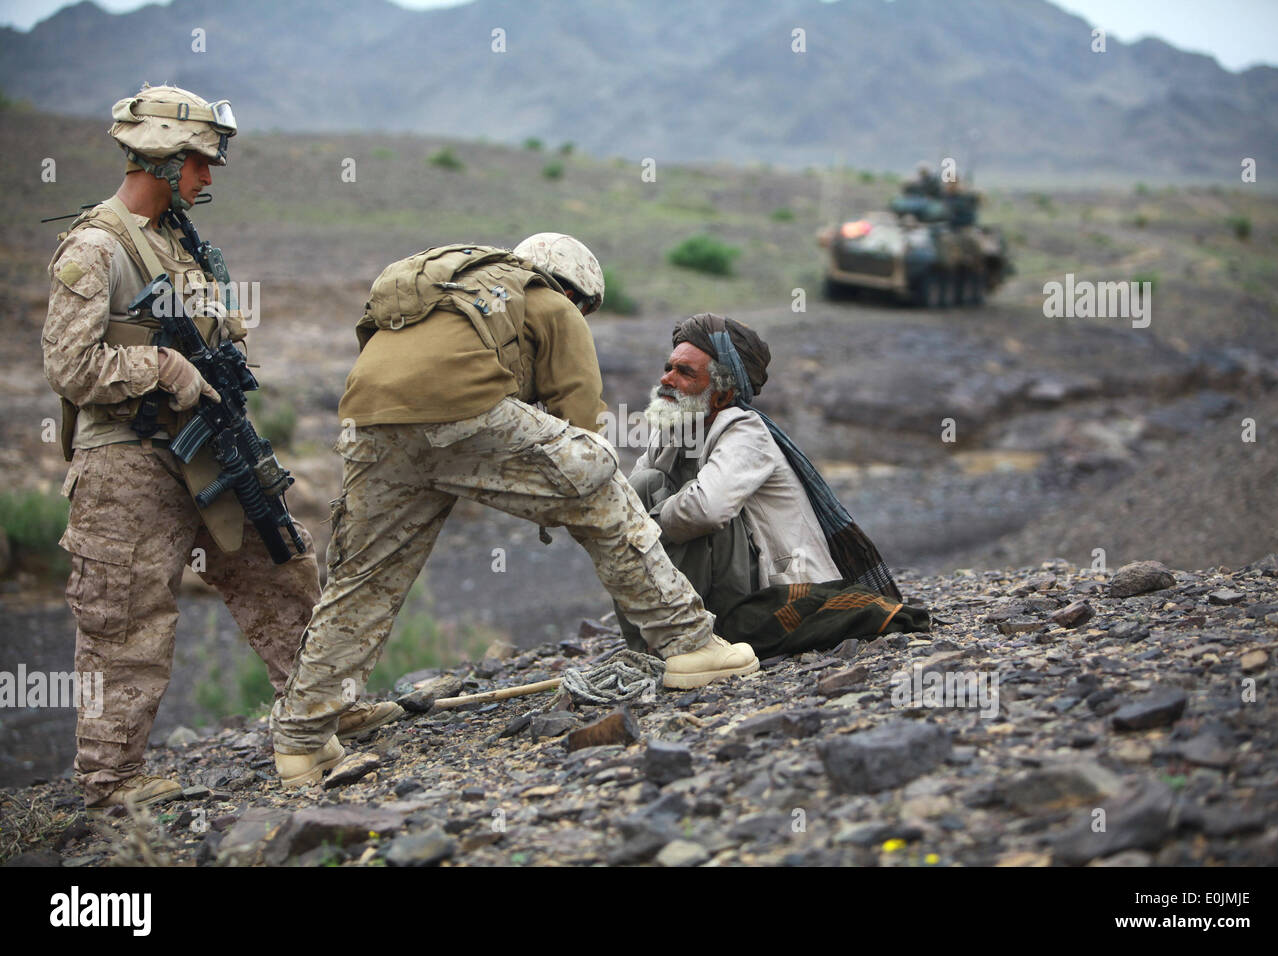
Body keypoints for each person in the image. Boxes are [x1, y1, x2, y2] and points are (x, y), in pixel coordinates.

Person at [270, 235, 759, 787]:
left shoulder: (446, 298)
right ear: (575, 290)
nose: (582, 317)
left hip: (370, 417)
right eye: (587, 309)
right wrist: (574, 492)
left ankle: (303, 740)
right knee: (601, 487)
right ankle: (689, 642)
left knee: (364, 575)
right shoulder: (549, 301)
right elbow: (584, 427)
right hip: (463, 410)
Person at [44, 84, 394, 810]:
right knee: (127, 616)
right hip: (128, 461)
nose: (209, 178)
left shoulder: (181, 245)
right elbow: (70, 368)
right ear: (163, 160)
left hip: (210, 445)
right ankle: (112, 783)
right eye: (200, 163)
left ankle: (323, 709)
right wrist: (159, 366)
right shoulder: (97, 247)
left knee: (281, 564)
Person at [622, 313, 931, 658]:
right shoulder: (673, 429)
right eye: (669, 367)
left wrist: (644, 530)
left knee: (696, 515)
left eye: (684, 372)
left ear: (722, 394)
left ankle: (688, 636)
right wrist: (632, 527)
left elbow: (706, 510)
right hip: (725, 580)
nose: (667, 379)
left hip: (775, 587)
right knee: (644, 485)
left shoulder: (744, 431)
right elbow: (629, 500)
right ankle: (653, 643)